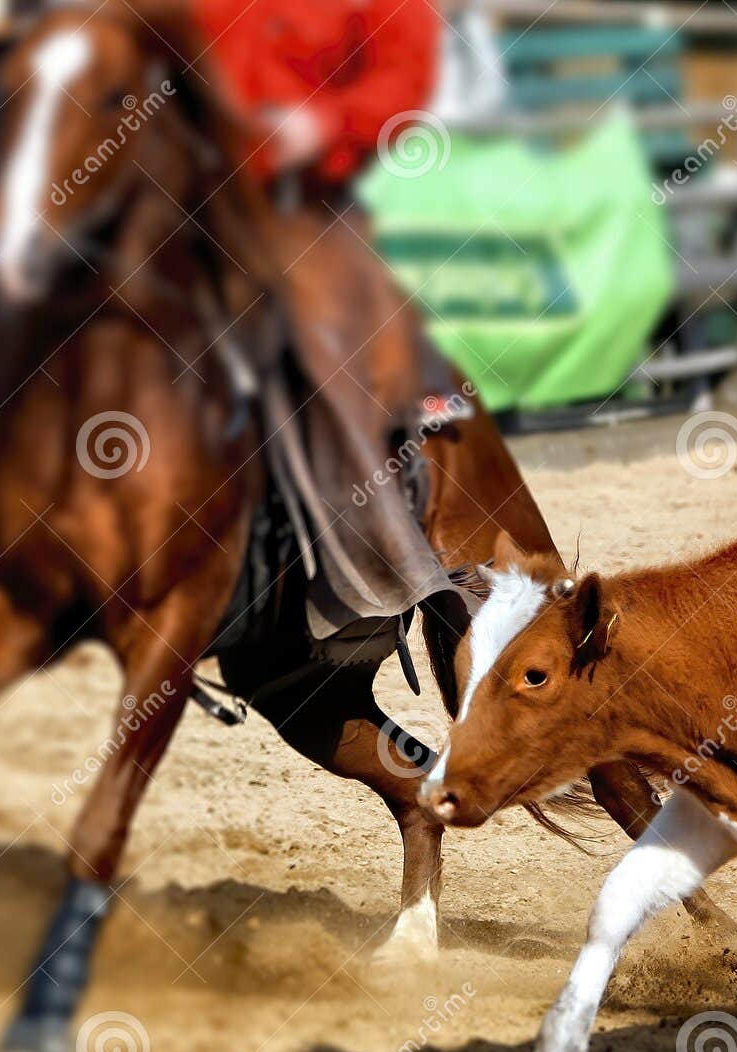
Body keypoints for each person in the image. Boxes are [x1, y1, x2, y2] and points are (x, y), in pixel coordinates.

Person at [184, 0, 459, 641]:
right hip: (174, 198)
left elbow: (401, 81)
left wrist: (324, 123)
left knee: (318, 338)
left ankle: (371, 563)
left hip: (302, 202)